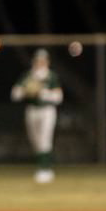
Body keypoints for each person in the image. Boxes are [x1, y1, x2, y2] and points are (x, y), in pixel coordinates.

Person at [10, 48, 64, 183]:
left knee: (45, 140)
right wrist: (26, 91)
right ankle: (42, 167)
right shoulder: (29, 76)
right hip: (32, 110)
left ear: (47, 61)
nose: (40, 63)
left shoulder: (51, 76)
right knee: (35, 141)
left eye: (43, 60)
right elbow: (14, 94)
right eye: (38, 60)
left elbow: (59, 97)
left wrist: (43, 93)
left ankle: (45, 169)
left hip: (47, 110)